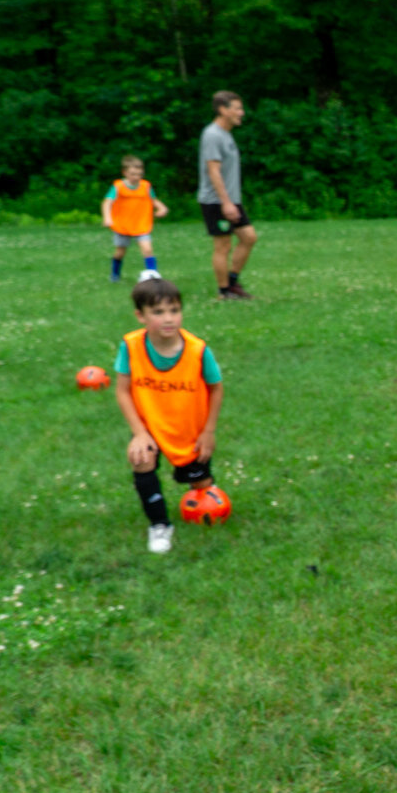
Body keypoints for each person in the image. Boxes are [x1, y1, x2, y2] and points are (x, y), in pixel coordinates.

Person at [113, 279, 224, 555]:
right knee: (141, 459)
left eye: (174, 311)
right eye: (158, 312)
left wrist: (208, 432)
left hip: (188, 427)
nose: (168, 319)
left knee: (200, 485)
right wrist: (139, 433)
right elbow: (123, 391)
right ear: (141, 316)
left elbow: (216, 388)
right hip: (149, 426)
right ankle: (160, 524)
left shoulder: (197, 350)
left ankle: (205, 500)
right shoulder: (131, 346)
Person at [197, 91, 257, 300]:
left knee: (248, 237)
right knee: (223, 245)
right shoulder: (212, 135)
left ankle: (232, 283)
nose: (241, 113)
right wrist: (226, 203)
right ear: (223, 110)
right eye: (237, 109)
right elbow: (213, 170)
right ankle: (224, 292)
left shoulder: (226, 133)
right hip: (216, 201)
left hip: (231, 200)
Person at [101, 155, 169, 283]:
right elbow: (107, 203)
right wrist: (107, 217)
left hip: (141, 225)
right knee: (120, 252)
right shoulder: (118, 186)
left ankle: (153, 275)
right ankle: (115, 274)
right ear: (125, 173)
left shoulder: (145, 186)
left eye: (139, 174)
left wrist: (162, 208)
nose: (136, 177)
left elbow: (153, 200)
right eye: (132, 174)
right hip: (122, 225)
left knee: (147, 249)